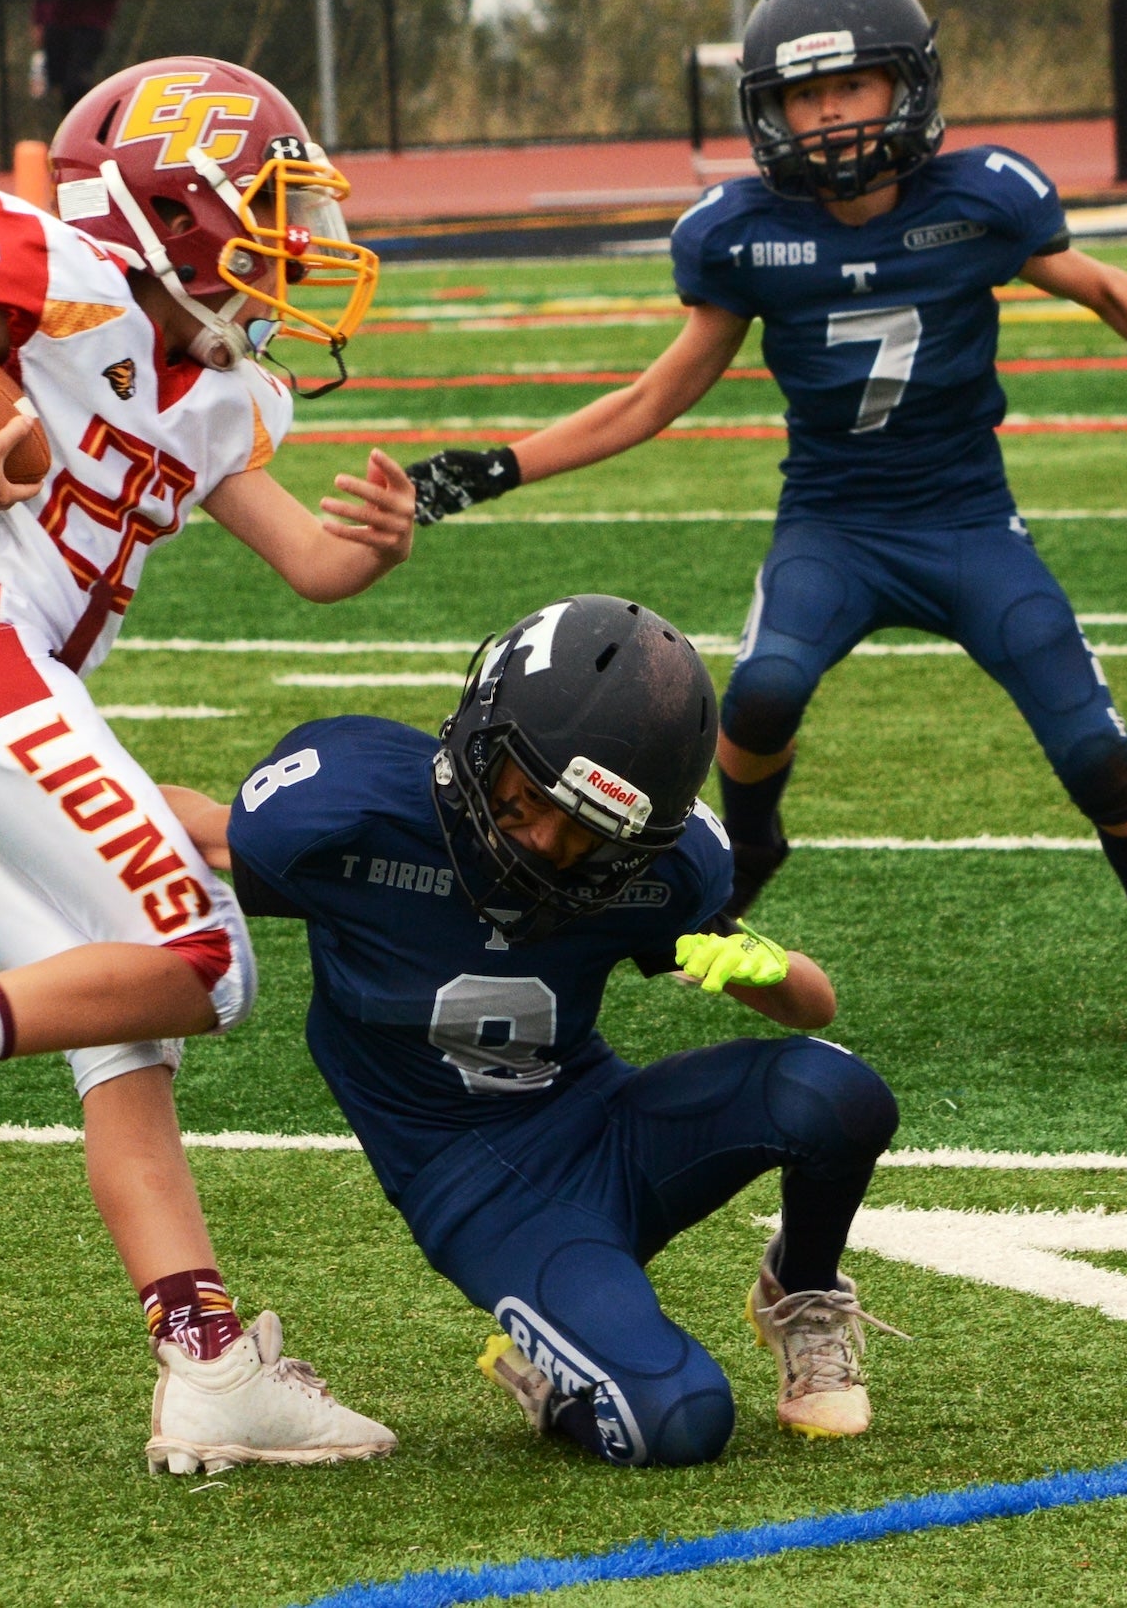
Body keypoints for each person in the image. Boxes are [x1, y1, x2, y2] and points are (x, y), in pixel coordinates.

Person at [403, 0, 1127, 1041]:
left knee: (1094, 749)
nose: (826, 116)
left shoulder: (983, 198)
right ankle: (749, 855)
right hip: (834, 525)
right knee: (761, 691)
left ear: (905, 88)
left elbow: (1101, 284)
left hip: (967, 522)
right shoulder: (743, 232)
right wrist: (500, 464)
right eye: (802, 96)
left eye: (849, 87)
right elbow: (655, 393)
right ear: (766, 112)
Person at [0, 55, 411, 1473]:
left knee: (125, 1034)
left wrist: (367, 548)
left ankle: (206, 1365)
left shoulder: (215, 391)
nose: (293, 245)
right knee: (210, 959)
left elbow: (304, 559)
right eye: (265, 208)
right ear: (168, 208)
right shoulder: (60, 274)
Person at [189, 596, 901, 1466]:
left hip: (606, 1123)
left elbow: (814, 1009)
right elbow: (168, 829)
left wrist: (769, 968)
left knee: (842, 1096)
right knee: (679, 1422)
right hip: (481, 1195)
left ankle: (803, 1289)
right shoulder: (346, 817)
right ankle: (547, 1376)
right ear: (484, 746)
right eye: (529, 798)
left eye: (590, 835)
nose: (544, 844)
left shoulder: (655, 873)